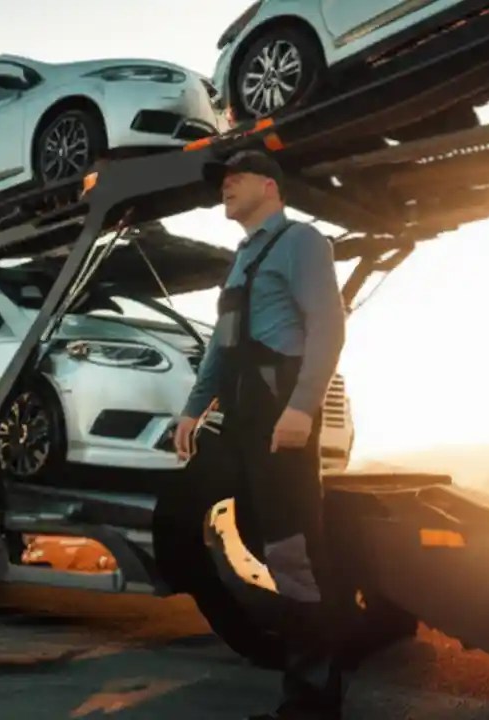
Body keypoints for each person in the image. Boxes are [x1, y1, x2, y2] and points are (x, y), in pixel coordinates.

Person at [174, 149, 350, 719]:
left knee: (292, 552)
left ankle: (313, 701)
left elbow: (328, 325)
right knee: (204, 526)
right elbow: (220, 348)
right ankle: (279, 653)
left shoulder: (301, 242)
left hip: (281, 418)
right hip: (242, 423)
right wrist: (192, 410)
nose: (225, 185)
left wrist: (303, 406)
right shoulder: (242, 258)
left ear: (270, 187)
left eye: (237, 176)